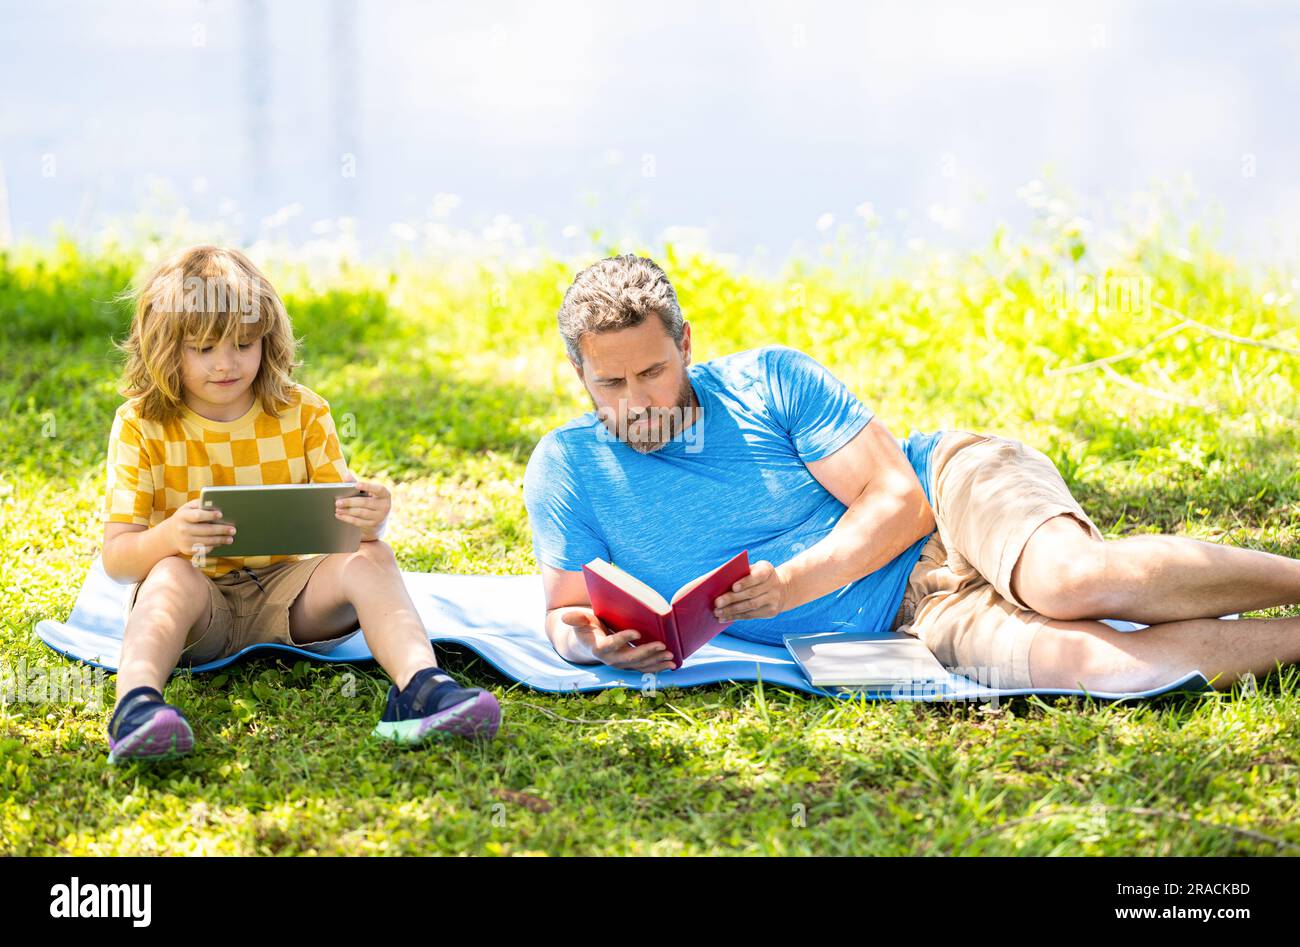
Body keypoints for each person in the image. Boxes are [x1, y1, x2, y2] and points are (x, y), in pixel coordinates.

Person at [523, 253, 1300, 693]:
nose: (639, 401)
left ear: (685, 342)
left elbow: (899, 500)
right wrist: (595, 647)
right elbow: (565, 611)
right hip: (906, 619)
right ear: (578, 375)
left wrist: (789, 584)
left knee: (1067, 581)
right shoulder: (568, 467)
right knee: (1099, 666)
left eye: (654, 372)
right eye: (611, 384)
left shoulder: (769, 380)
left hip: (950, 491)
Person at [100, 246, 499, 763]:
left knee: (374, 558)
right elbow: (117, 558)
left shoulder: (302, 410)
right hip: (198, 612)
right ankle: (136, 706)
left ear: (268, 338)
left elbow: (345, 532)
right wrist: (170, 537)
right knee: (170, 576)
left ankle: (421, 687)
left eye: (244, 343)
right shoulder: (141, 424)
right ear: (165, 348)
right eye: (203, 348)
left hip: (291, 603)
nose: (226, 363)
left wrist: (368, 519)